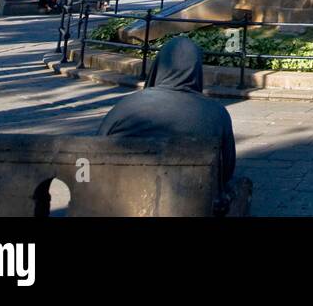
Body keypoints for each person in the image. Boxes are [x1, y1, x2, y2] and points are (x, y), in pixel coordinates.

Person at [98, 37, 240, 214]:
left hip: (119, 202)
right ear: (197, 70)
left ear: (159, 65)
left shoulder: (125, 106)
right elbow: (226, 170)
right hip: (189, 205)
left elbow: (93, 151)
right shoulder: (217, 113)